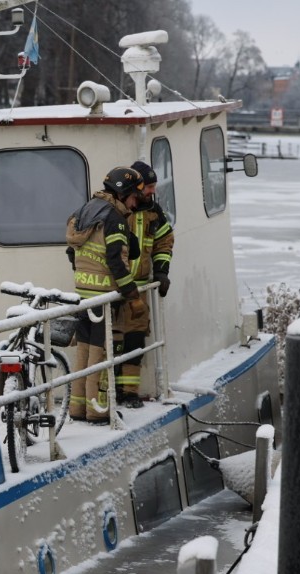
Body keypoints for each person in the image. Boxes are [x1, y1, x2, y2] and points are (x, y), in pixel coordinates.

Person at [64, 166, 144, 423]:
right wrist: (132, 295)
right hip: (103, 297)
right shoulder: (113, 219)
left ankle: (77, 409)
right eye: (134, 197)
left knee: (84, 354)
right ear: (124, 192)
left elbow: (71, 253)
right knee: (99, 357)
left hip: (83, 294)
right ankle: (97, 411)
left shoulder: (85, 210)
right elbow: (116, 261)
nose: (135, 203)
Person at [113, 160, 176, 408]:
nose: (153, 191)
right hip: (113, 289)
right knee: (112, 342)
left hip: (138, 290)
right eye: (149, 186)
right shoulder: (114, 209)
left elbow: (164, 241)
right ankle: (108, 392)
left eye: (154, 186)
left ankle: (128, 392)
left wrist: (161, 272)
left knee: (135, 342)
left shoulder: (154, 212)